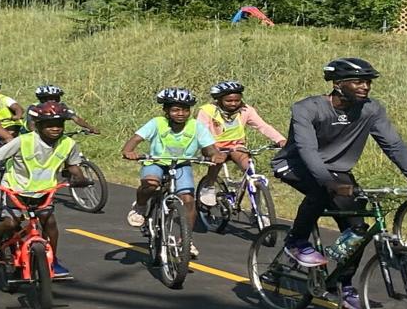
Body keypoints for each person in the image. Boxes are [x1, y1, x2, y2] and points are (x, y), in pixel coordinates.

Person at [269, 57, 407, 309]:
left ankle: (343, 286)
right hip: (295, 164)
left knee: (357, 229)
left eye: (368, 82)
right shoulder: (307, 108)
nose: (365, 87)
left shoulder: (371, 109)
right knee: (320, 192)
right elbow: (307, 149)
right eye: (358, 81)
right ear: (338, 84)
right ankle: (296, 241)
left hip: (337, 172)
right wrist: (327, 182)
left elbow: (393, 144)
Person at [0, 101, 83, 280]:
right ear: (38, 125)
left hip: (44, 191)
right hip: (15, 189)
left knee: (49, 223)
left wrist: (80, 178)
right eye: (49, 125)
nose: (55, 128)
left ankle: (53, 260)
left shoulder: (68, 143)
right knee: (11, 223)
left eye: (59, 124)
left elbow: (73, 165)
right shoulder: (23, 141)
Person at [121, 88, 222, 259]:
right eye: (175, 109)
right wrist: (129, 151)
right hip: (156, 162)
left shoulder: (196, 126)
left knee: (188, 200)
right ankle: (140, 206)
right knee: (151, 184)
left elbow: (209, 146)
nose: (181, 114)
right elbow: (136, 138)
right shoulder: (157, 123)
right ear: (166, 111)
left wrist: (214, 154)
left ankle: (186, 240)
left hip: (182, 165)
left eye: (185, 110)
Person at [194, 80, 285, 208]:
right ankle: (209, 185)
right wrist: (212, 150)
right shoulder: (207, 111)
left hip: (236, 146)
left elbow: (262, 126)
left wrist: (280, 139)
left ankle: (257, 206)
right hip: (213, 146)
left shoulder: (246, 110)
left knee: (250, 169)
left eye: (237, 100)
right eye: (229, 101)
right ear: (219, 100)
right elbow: (201, 133)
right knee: (218, 159)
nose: (233, 104)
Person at [25, 84, 99, 135]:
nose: (54, 101)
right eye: (50, 98)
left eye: (56, 98)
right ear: (42, 99)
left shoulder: (61, 107)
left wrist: (91, 128)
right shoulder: (34, 108)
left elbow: (75, 118)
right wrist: (37, 135)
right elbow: (31, 125)